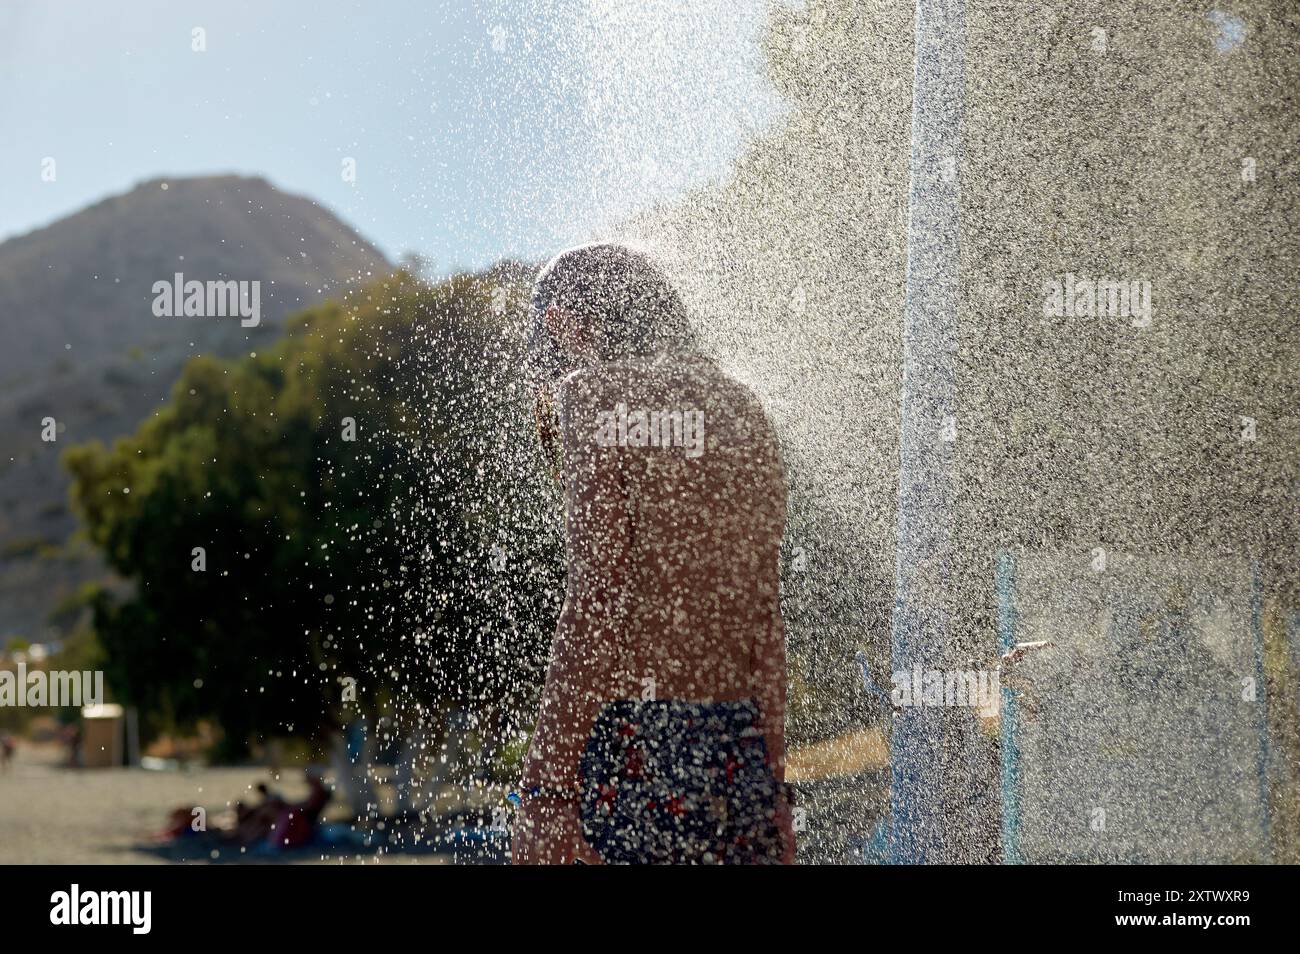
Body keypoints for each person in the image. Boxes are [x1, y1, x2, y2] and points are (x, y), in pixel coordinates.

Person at [513, 243, 793, 864]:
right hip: (735, 753)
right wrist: (774, 791)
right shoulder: (744, 408)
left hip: (629, 752)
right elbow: (764, 624)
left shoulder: (595, 396)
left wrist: (549, 790)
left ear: (568, 325)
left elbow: (598, 593)